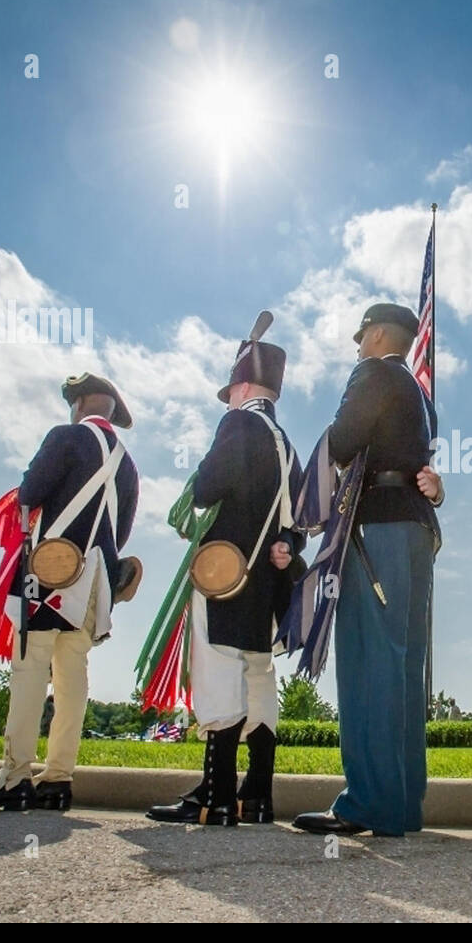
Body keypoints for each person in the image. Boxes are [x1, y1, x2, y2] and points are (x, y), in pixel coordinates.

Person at [0, 373, 139, 812]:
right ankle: (57, 780)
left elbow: (31, 492)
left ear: (77, 405)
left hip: (51, 569)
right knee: (72, 673)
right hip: (96, 579)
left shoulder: (66, 437)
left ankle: (14, 776)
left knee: (32, 664)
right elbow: (123, 530)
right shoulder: (126, 463)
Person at [293, 304, 443, 838]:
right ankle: (401, 805)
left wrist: (296, 500)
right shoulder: (418, 393)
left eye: (361, 338)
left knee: (367, 664)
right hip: (414, 528)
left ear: (377, 335)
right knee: (401, 669)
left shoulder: (373, 372)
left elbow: (343, 437)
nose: (357, 348)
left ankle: (366, 804)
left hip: (375, 526)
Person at [148, 324, 304, 826]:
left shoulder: (237, 425)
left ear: (240, 389)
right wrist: (288, 546)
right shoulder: (287, 444)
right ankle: (256, 796)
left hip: (226, 574)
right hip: (268, 586)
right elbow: (299, 521)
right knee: (259, 679)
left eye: (229, 392)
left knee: (218, 673)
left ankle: (215, 797)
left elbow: (207, 486)